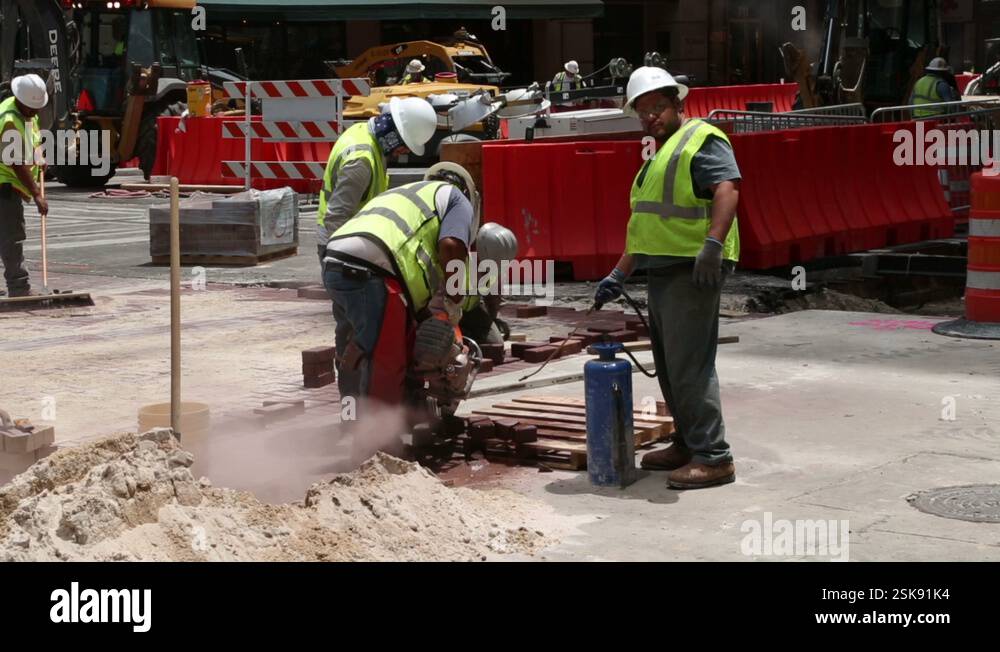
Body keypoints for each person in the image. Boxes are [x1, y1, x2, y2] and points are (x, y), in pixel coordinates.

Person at [594, 66, 740, 490]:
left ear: (678, 104)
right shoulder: (660, 154)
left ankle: (714, 457)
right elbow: (645, 226)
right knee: (670, 366)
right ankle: (687, 442)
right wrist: (618, 273)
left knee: (689, 367)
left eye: (658, 108)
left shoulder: (702, 139)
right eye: (643, 113)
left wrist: (712, 245)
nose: (651, 118)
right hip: (663, 269)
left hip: (692, 268)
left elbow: (727, 188)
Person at [322, 162, 514, 405]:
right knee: (386, 358)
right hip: (376, 269)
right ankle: (377, 432)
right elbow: (452, 246)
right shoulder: (456, 199)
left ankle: (350, 418)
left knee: (352, 351)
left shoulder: (404, 194)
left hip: (335, 259)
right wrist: (454, 301)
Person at [315, 96, 437, 267]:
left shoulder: (362, 131)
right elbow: (336, 217)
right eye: (404, 145)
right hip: (341, 244)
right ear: (393, 133)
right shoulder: (361, 162)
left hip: (352, 238)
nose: (403, 152)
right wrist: (344, 261)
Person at [0, 74, 48, 298]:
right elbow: (16, 161)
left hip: (11, 183)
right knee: (12, 235)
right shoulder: (8, 118)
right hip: (4, 182)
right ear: (20, 100)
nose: (35, 112)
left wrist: (39, 157)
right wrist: (37, 194)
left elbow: (35, 139)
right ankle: (19, 288)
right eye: (32, 108)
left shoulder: (28, 112)